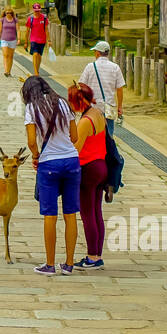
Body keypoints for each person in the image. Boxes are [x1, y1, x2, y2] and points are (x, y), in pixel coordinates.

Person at [22, 76, 80, 275]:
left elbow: (31, 141)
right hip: (72, 161)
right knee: (70, 213)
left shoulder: (32, 108)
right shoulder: (63, 103)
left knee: (50, 215)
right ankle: (69, 263)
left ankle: (49, 263)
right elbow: (75, 136)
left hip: (48, 164)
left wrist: (36, 155)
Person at [68, 83, 108, 269]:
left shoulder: (85, 121)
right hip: (101, 166)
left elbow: (76, 148)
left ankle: (92, 256)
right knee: (96, 212)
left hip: (88, 169)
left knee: (87, 214)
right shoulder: (98, 113)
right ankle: (97, 253)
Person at [79, 40, 124, 134]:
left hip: (92, 106)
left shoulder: (90, 66)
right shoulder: (115, 67)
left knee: (92, 133)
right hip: (108, 107)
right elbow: (119, 88)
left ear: (98, 53)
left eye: (95, 51)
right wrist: (119, 106)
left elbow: (81, 84)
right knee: (108, 135)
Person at [26, 3, 49, 76]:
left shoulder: (44, 18)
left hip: (42, 40)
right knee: (35, 54)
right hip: (33, 39)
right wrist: (26, 42)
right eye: (35, 11)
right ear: (33, 10)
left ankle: (37, 70)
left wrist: (49, 40)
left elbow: (46, 30)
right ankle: (35, 72)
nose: (37, 12)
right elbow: (27, 31)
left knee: (39, 55)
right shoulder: (30, 19)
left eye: (38, 11)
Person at [0, 8, 19, 78]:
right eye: (7, 13)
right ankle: (6, 71)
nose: (9, 14)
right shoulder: (2, 20)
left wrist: (19, 39)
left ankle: (9, 71)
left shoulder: (15, 20)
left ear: (12, 13)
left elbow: (18, 30)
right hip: (4, 39)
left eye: (10, 13)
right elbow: (0, 31)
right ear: (5, 13)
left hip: (13, 40)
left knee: (10, 56)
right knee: (6, 55)